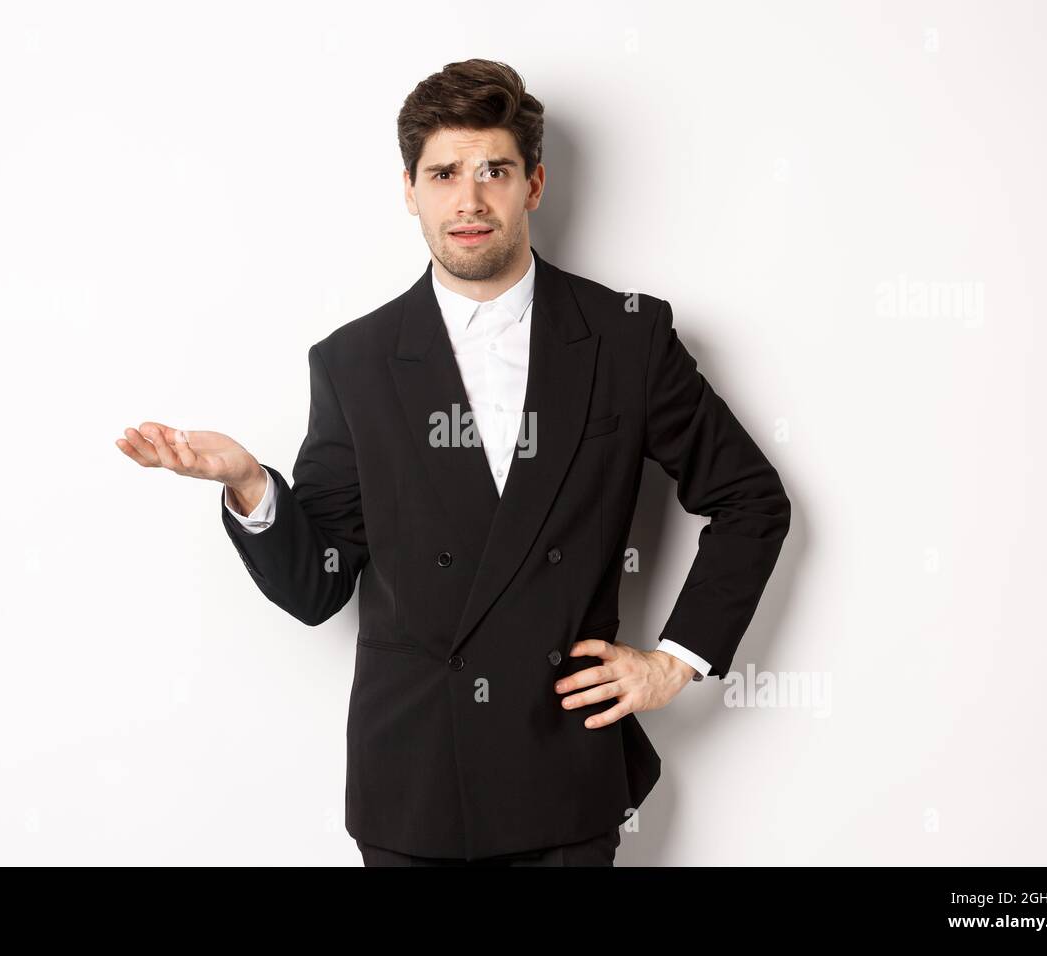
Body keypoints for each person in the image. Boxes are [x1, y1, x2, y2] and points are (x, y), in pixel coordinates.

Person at [117, 59, 791, 866]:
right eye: (443, 174)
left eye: (494, 171)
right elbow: (317, 587)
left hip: (562, 773)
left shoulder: (625, 338)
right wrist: (251, 485)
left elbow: (751, 499)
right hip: (413, 785)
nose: (469, 200)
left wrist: (672, 662)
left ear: (534, 184)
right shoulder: (354, 362)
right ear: (410, 190)